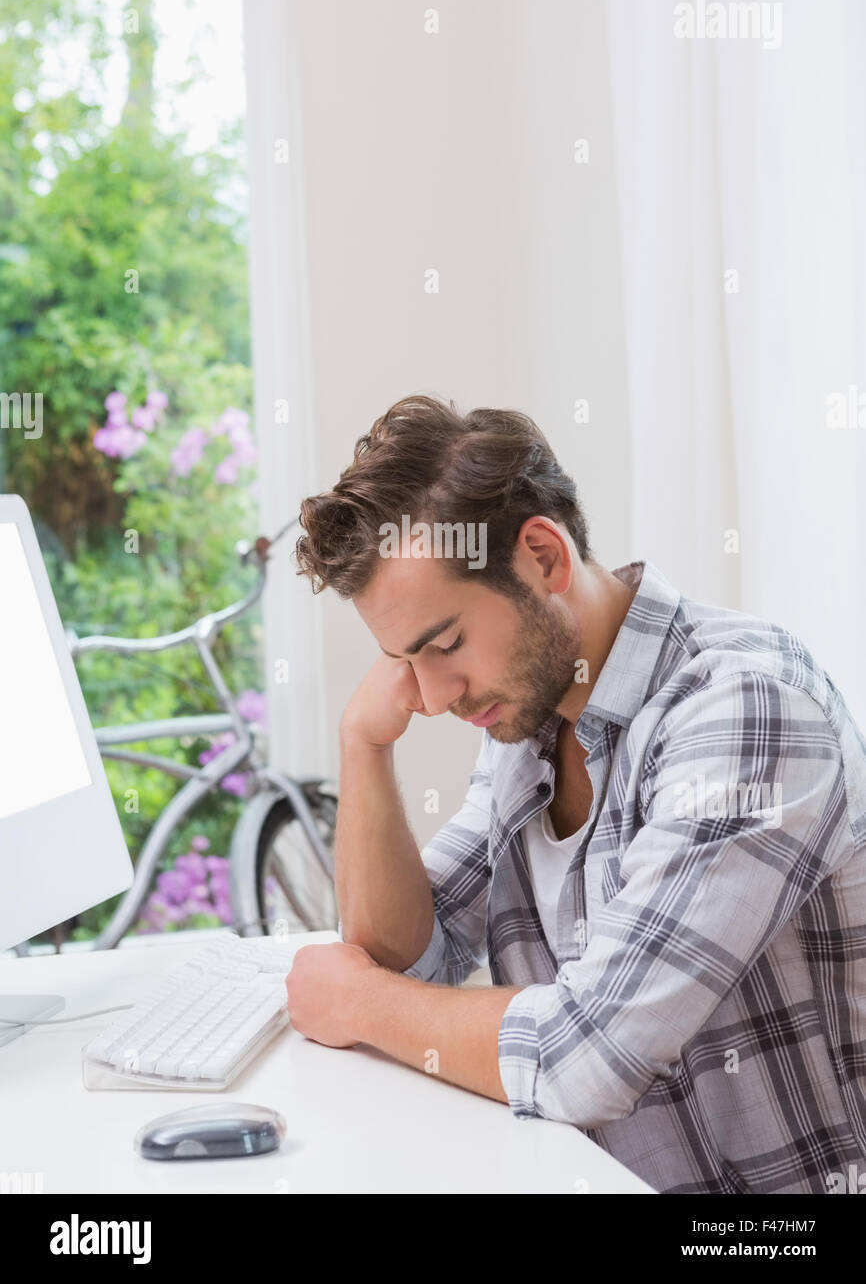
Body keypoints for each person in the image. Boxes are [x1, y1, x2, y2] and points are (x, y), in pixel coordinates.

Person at [285, 393, 866, 1195]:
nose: (430, 694)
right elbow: (404, 958)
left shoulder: (742, 708)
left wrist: (357, 1004)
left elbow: (584, 1056)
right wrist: (364, 746)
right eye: (404, 661)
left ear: (544, 558)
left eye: (445, 643)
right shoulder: (528, 723)